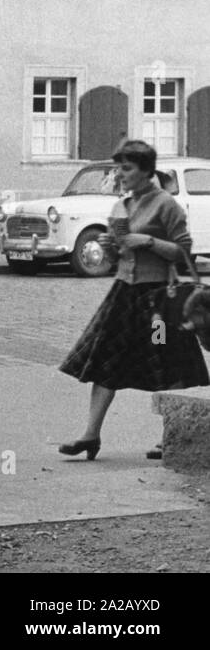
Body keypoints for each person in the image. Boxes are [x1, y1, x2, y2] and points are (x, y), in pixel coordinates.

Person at [58, 139, 210, 460]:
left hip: (158, 303)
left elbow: (183, 254)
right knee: (104, 359)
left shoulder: (166, 204)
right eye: (119, 168)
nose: (120, 174)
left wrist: (148, 240)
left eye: (126, 168)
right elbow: (118, 254)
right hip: (124, 296)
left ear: (145, 171)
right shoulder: (124, 206)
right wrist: (110, 245)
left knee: (164, 358)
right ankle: (90, 435)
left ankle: (168, 437)